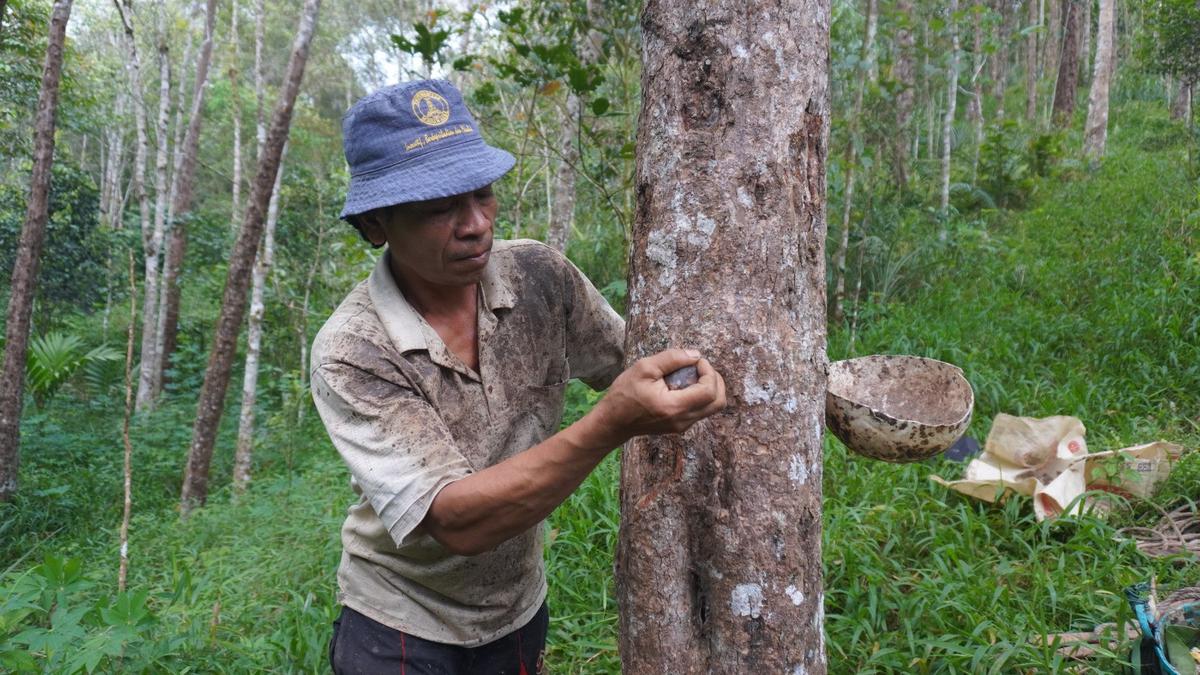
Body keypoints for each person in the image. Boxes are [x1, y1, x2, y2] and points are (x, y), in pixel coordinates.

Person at [313, 79, 726, 674]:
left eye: (483, 195)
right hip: (401, 623)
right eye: (440, 207)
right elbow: (457, 520)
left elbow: (639, 364)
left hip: (516, 610)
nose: (475, 223)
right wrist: (609, 424)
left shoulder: (540, 278)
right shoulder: (355, 349)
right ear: (377, 223)